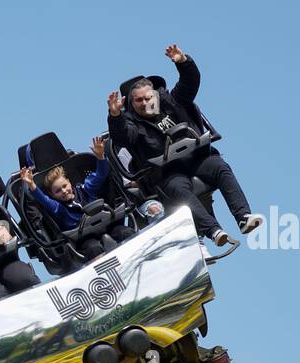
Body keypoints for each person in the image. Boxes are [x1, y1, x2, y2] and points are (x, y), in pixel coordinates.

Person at [107, 44, 263, 247]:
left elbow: (189, 84)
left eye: (148, 98)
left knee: (221, 168)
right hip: (169, 173)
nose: (145, 103)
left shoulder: (172, 101)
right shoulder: (131, 123)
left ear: (154, 94)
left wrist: (183, 62)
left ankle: (243, 217)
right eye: (138, 101)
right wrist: (115, 116)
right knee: (179, 190)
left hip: (197, 159)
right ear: (132, 104)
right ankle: (214, 230)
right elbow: (122, 137)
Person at [19, 136, 135, 264]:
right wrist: (31, 185)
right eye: (58, 191)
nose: (64, 191)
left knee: (125, 232)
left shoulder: (86, 188)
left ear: (69, 182)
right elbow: (43, 200)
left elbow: (101, 175)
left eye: (64, 186)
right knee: (93, 248)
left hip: (107, 225)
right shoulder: (58, 207)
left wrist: (100, 157)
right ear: (53, 195)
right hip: (85, 239)